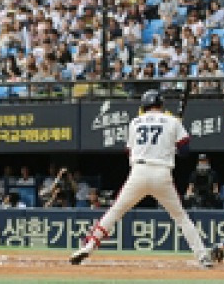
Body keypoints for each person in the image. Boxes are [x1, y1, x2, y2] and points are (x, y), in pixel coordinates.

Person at [70, 90, 213, 268]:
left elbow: (129, 151)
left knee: (114, 212)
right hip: (162, 173)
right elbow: (185, 152)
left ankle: (89, 246)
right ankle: (202, 256)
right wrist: (172, 144)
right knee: (181, 218)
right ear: (161, 104)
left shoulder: (135, 122)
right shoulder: (172, 121)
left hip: (138, 172)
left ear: (144, 105)